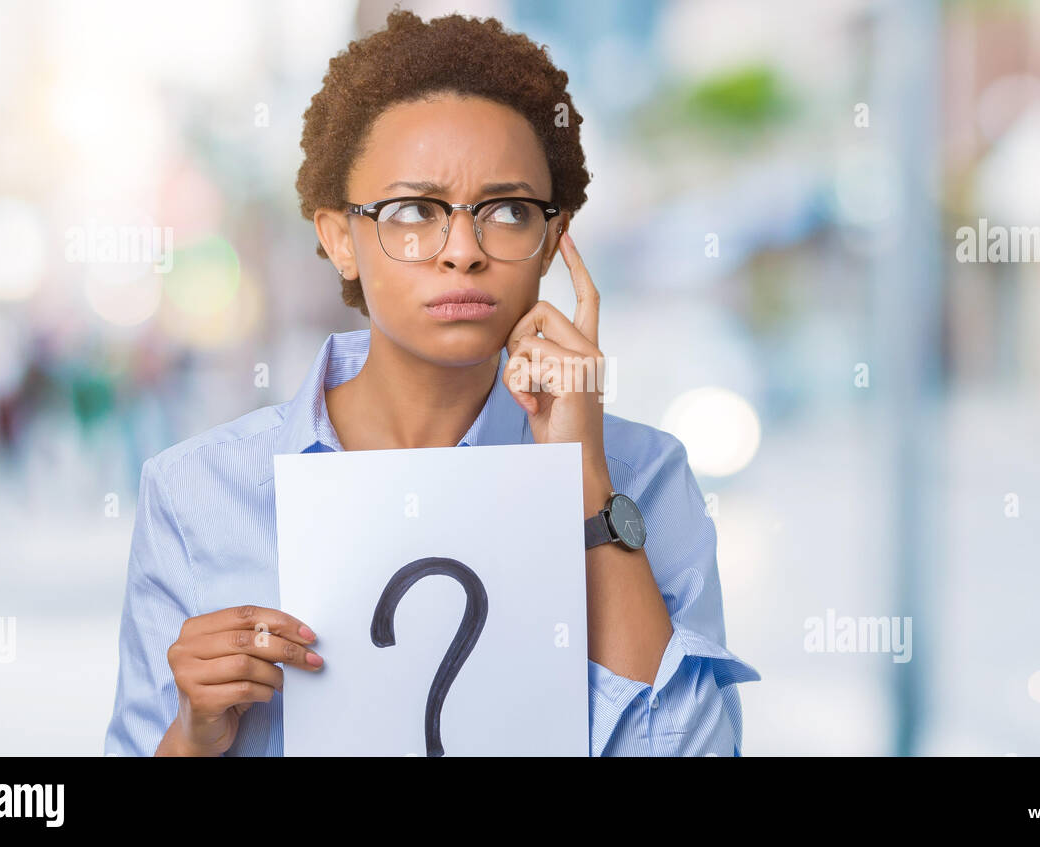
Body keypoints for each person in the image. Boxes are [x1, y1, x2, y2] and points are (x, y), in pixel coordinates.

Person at [104, 8, 760, 758]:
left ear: (552, 238)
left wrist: (583, 479)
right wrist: (193, 736)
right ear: (339, 238)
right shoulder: (198, 493)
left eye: (507, 211)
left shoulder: (645, 477)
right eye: (414, 211)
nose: (462, 251)